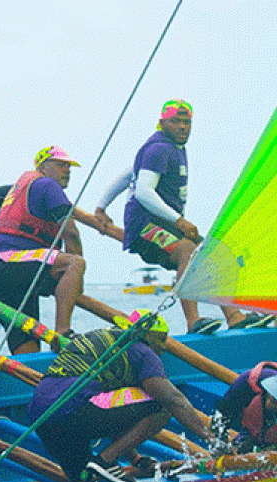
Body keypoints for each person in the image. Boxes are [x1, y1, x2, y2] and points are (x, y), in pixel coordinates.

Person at [94, 100, 270, 334]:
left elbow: (128, 175)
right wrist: (179, 220)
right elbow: (143, 191)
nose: (182, 127)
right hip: (145, 227)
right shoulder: (158, 148)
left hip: (166, 224)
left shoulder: (171, 148)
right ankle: (193, 321)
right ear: (161, 123)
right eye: (175, 121)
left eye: (187, 122)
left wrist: (101, 206)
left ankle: (234, 316)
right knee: (186, 250)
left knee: (216, 254)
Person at [28, 310, 216, 482]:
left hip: (42, 419)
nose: (164, 347)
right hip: (76, 410)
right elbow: (174, 399)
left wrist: (134, 459)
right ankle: (105, 460)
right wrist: (211, 440)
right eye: (161, 339)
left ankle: (93, 472)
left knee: (87, 480)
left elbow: (117, 415)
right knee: (161, 407)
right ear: (146, 335)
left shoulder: (107, 340)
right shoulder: (141, 350)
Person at [0, 146, 87, 354]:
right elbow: (71, 235)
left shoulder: (19, 189)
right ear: (43, 167)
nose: (67, 170)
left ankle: (31, 379)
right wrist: (77, 281)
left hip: (4, 277)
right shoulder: (47, 186)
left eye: (69, 166)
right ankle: (63, 332)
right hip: (13, 265)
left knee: (28, 350)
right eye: (61, 165)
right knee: (74, 264)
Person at [216, 362, 277, 452]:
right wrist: (221, 442)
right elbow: (221, 416)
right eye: (274, 401)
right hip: (251, 424)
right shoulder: (244, 386)